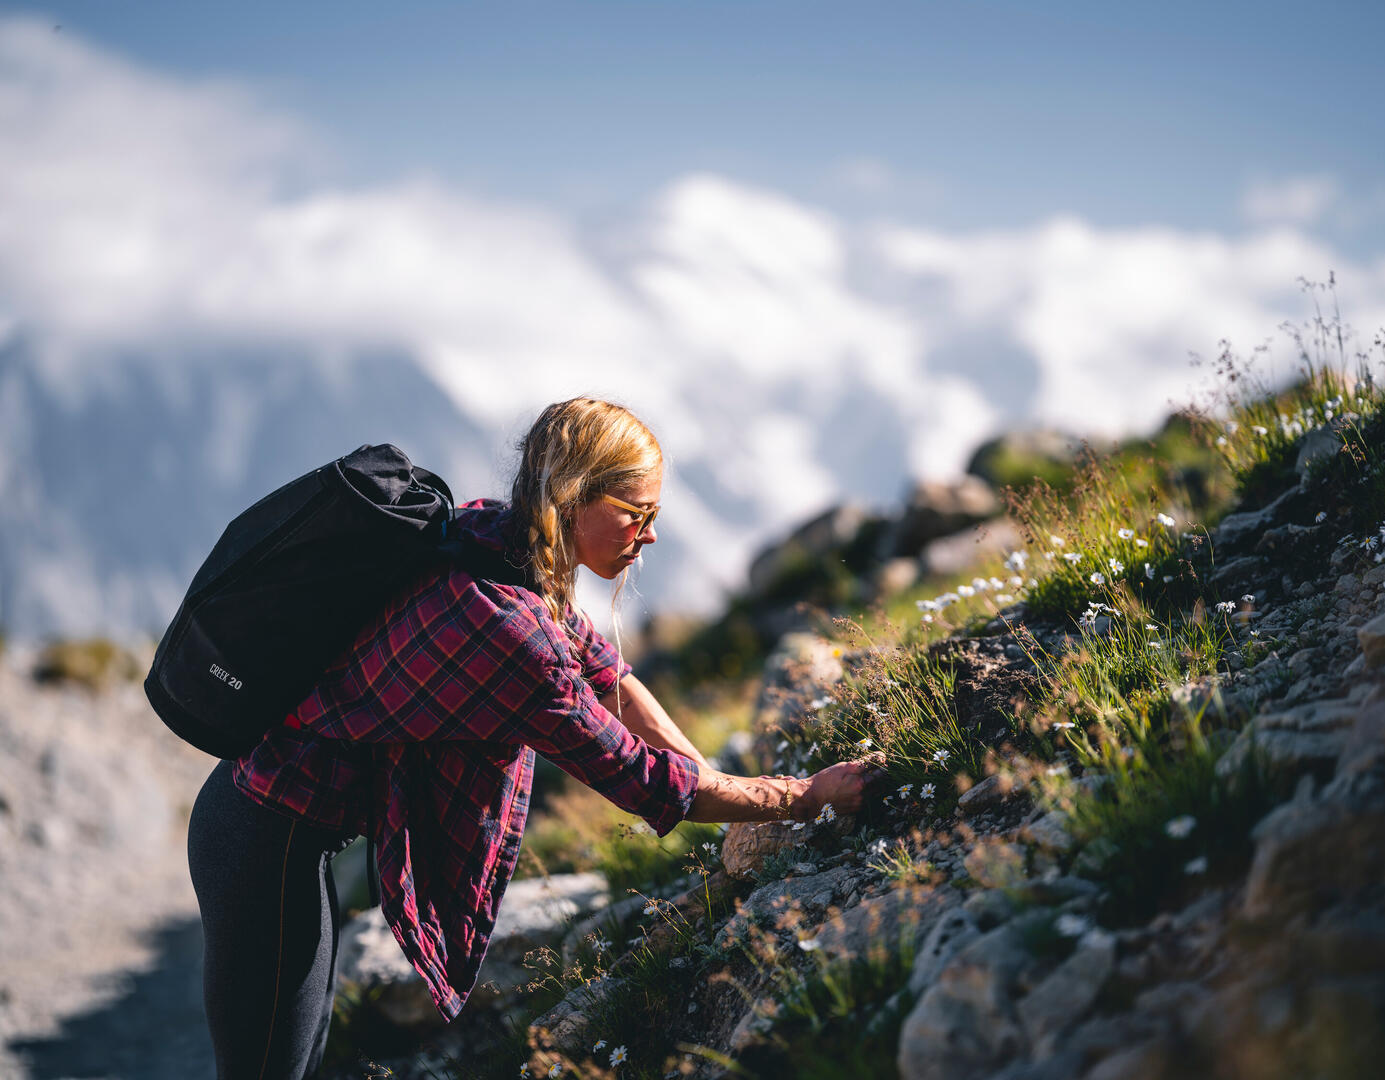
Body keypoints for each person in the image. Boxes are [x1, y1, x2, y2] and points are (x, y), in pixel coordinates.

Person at [187, 397, 877, 1079]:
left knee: (293, 1057)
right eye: (638, 514)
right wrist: (802, 797)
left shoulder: (496, 538)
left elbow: (610, 678)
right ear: (574, 498)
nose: (651, 535)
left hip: (262, 824)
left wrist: (711, 776)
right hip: (261, 841)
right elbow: (643, 782)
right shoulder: (509, 635)